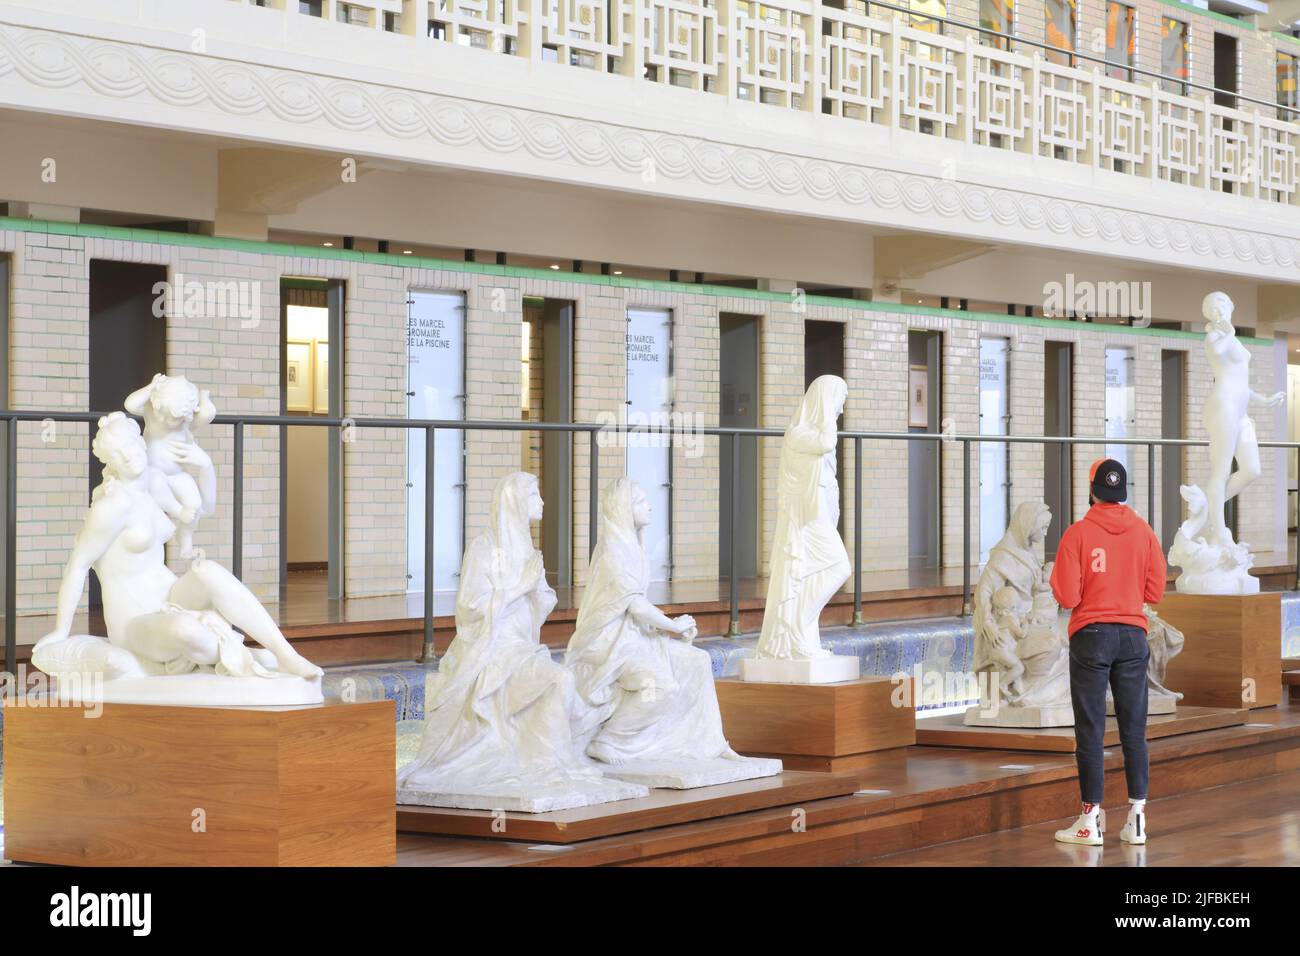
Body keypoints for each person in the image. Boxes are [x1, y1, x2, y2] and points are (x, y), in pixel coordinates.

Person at [37, 412, 321, 680]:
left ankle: (285, 654)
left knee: (206, 570)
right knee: (185, 628)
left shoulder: (152, 485)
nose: (129, 457)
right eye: (118, 455)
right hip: (136, 622)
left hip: (170, 597)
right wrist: (60, 630)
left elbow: (201, 510)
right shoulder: (113, 505)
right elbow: (78, 564)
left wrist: (205, 466)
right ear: (110, 462)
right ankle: (243, 656)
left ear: (141, 443)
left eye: (131, 447)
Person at [1050, 457, 1165, 847]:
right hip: (1133, 636)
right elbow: (1156, 592)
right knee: (1134, 730)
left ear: (1092, 489)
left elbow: (1067, 595)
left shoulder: (1078, 533)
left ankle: (1090, 820)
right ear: (1123, 491)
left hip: (1092, 635)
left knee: (1091, 729)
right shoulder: (1144, 532)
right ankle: (1137, 820)